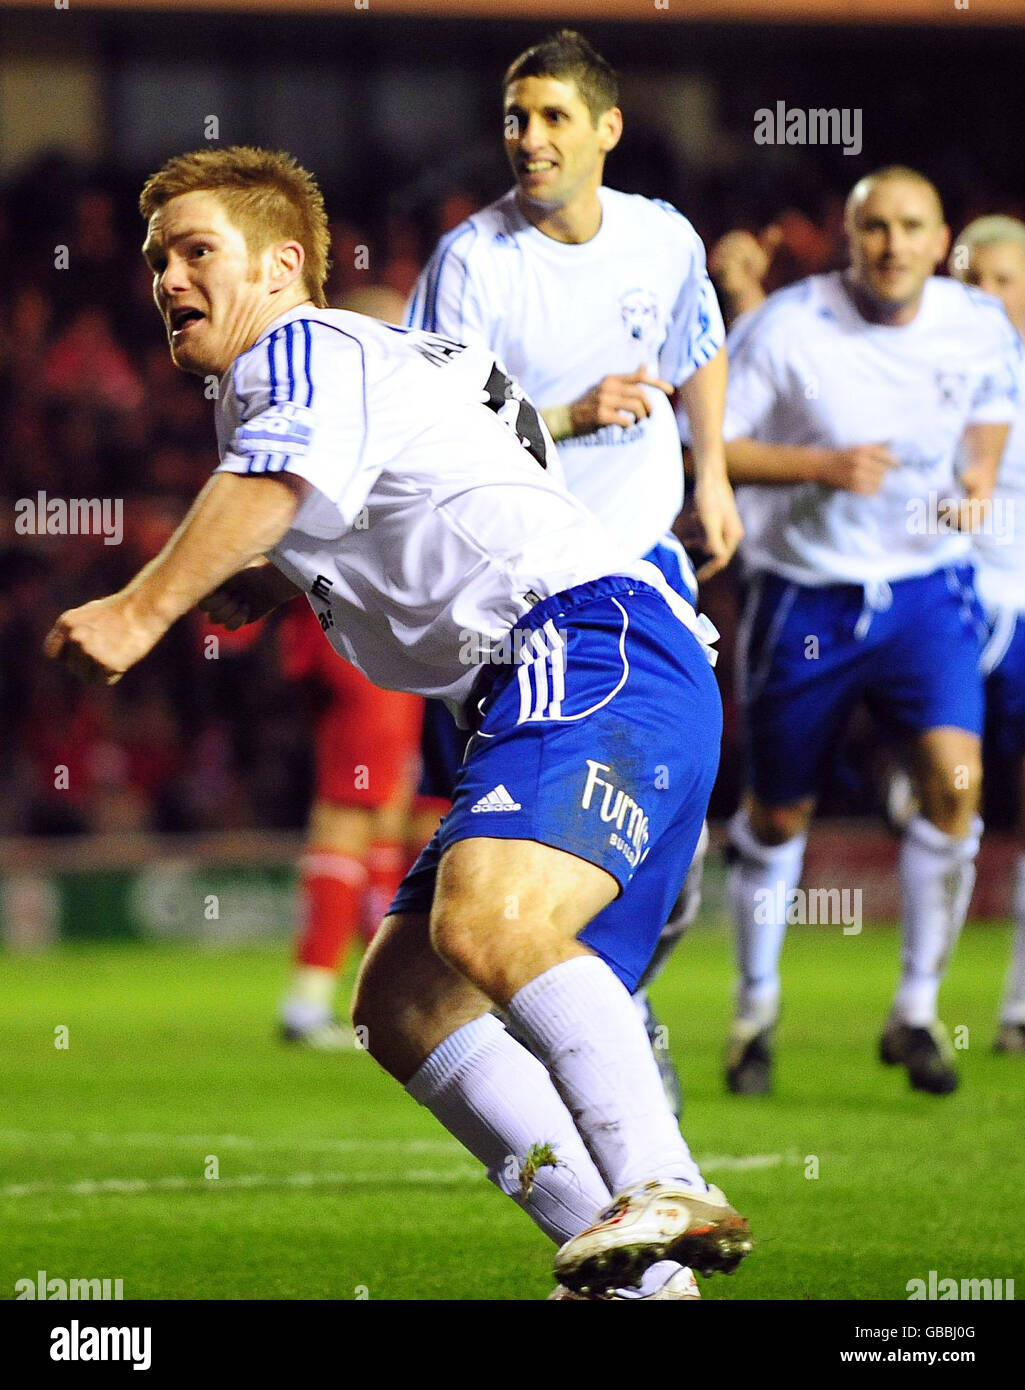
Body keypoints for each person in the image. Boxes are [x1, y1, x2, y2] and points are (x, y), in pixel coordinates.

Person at [44, 146, 750, 1299]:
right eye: (156, 260)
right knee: (403, 1003)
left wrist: (140, 608)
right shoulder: (388, 357)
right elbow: (461, 473)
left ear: (283, 264)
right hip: (586, 667)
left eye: (195, 250)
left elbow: (274, 484)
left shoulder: (300, 345)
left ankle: (662, 1175)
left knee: (487, 917)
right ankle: (638, 1278)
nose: (167, 278)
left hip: (582, 643)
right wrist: (285, 574)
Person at [405, 30, 742, 1112]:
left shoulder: (661, 241)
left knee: (664, 838)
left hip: (638, 567)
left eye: (552, 117)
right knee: (515, 850)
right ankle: (584, 1031)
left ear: (606, 129)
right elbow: (433, 433)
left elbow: (698, 349)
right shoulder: (472, 263)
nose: (528, 138)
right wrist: (566, 414)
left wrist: (716, 477)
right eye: (514, 117)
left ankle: (613, 999)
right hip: (511, 589)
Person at [721, 166, 1021, 1096]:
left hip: (927, 590)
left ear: (942, 245)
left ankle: (916, 1011)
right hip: (805, 596)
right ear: (850, 240)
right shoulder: (786, 327)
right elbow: (714, 448)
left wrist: (975, 483)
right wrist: (819, 465)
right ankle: (754, 1010)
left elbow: (987, 413)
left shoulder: (975, 326)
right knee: (778, 813)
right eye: (874, 228)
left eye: (910, 227)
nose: (892, 245)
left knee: (953, 787)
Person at [277, 284, 423, 1049]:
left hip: (342, 634)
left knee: (383, 806)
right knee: (352, 808)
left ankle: (369, 986)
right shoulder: (367, 416)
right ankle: (312, 995)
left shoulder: (312, 409)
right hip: (358, 631)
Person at [950, 215, 1025, 1054]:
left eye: (1001, 281)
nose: (983, 298)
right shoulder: (919, 374)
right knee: (949, 802)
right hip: (950, 608)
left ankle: (1013, 1006)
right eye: (970, 281)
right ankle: (919, 1007)